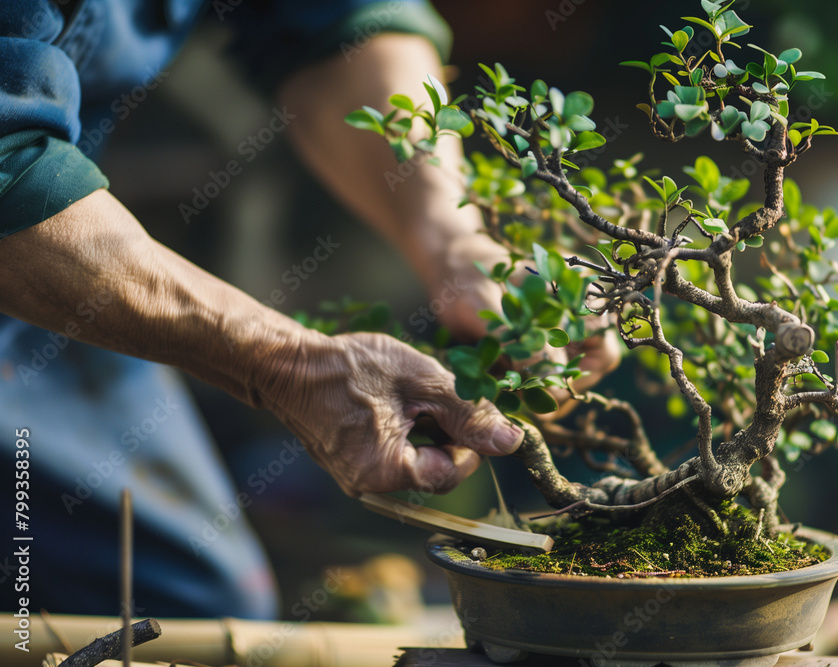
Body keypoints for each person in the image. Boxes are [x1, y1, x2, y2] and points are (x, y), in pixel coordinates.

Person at [0, 0, 617, 618]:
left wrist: (454, 241)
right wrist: (284, 360)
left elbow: (342, 21)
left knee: (187, 602)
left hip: (62, 282)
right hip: (38, 248)